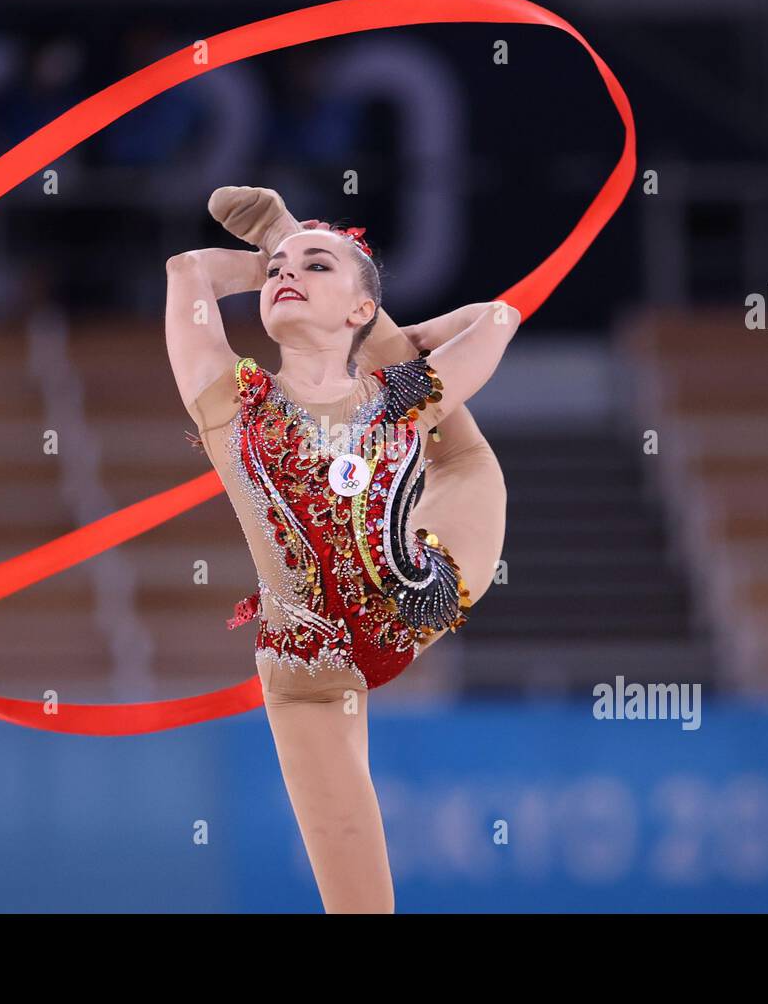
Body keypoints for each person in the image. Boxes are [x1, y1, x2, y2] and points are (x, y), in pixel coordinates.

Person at [165, 186, 515, 912]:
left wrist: (408, 335)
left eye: (313, 267)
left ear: (361, 309)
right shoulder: (232, 401)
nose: (287, 275)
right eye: (279, 269)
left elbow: (500, 316)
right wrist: (274, 255)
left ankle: (309, 239)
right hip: (309, 673)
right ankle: (298, 231)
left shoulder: (396, 395)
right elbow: (185, 273)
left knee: (462, 457)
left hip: (426, 590)